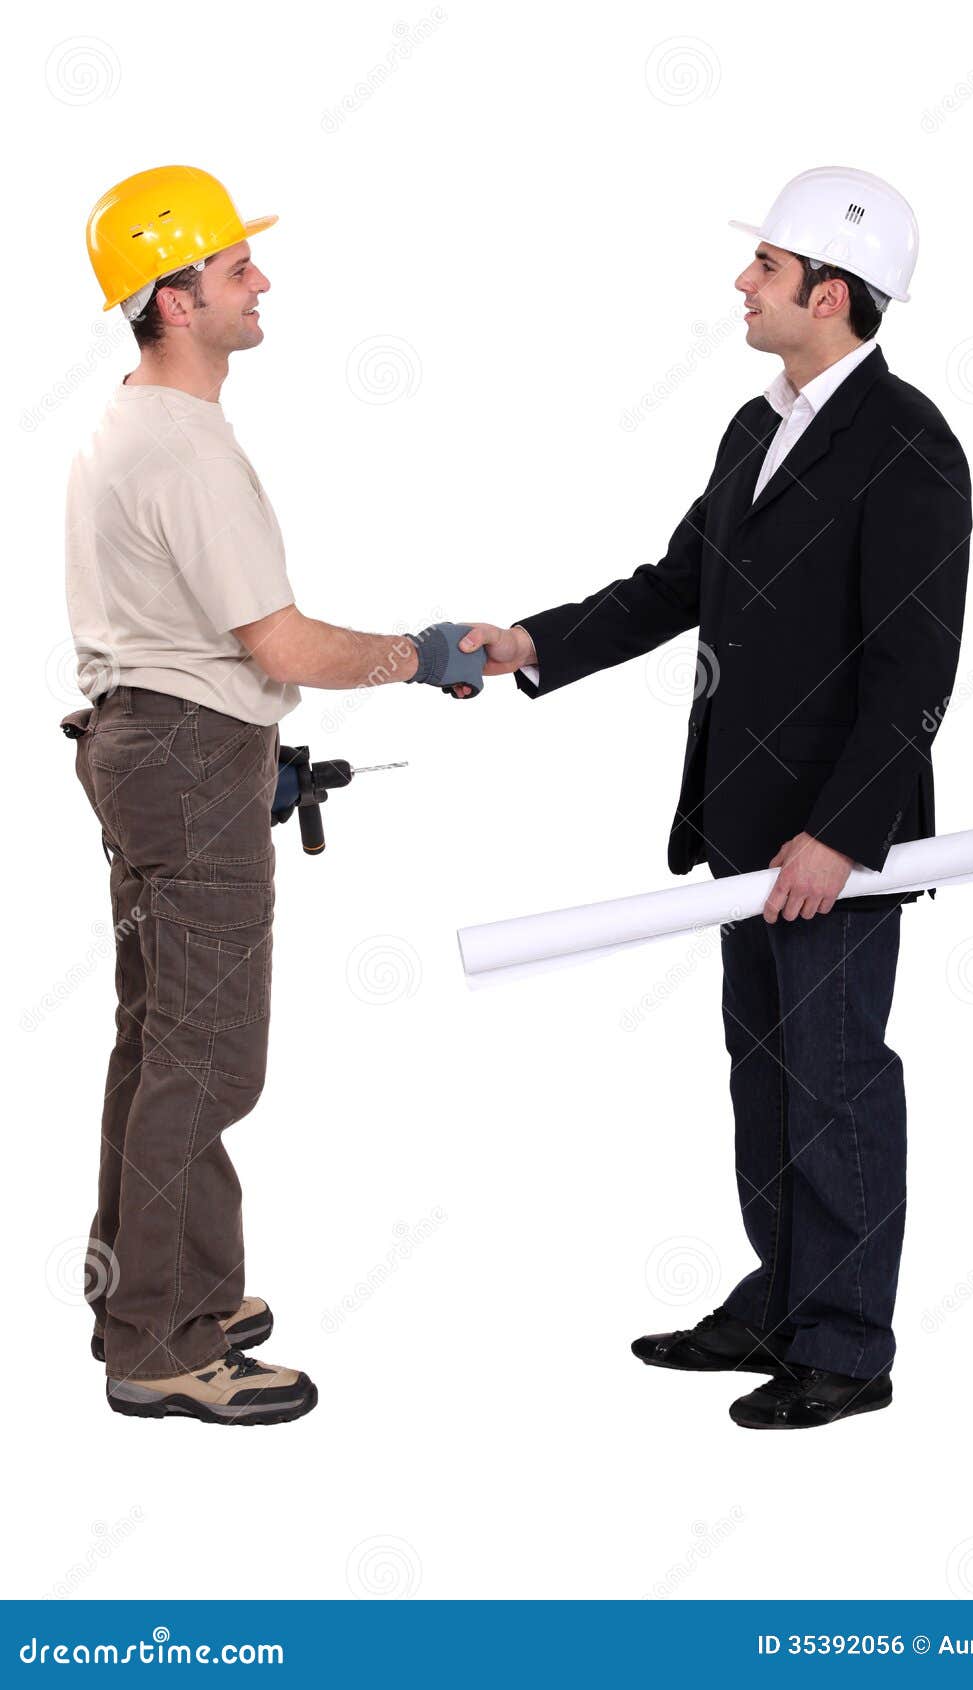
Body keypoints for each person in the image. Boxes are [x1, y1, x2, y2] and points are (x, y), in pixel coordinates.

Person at [456, 167, 971, 1430]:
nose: (741, 284)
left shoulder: (906, 445)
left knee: (835, 1076)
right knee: (763, 1072)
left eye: (765, 269)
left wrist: (841, 837)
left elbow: (915, 669)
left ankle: (844, 1345)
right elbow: (673, 580)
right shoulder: (757, 428)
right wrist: (531, 641)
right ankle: (784, 1295)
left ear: (830, 293)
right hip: (746, 832)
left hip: (833, 852)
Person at [62, 165, 482, 1426]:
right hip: (183, 759)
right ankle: (159, 1341)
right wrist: (425, 654)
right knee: (207, 1059)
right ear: (173, 299)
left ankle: (154, 1280)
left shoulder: (131, 426)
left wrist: (249, 750)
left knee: (159, 1042)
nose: (261, 282)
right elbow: (283, 649)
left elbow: (191, 650)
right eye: (236, 267)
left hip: (161, 747)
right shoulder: (181, 447)